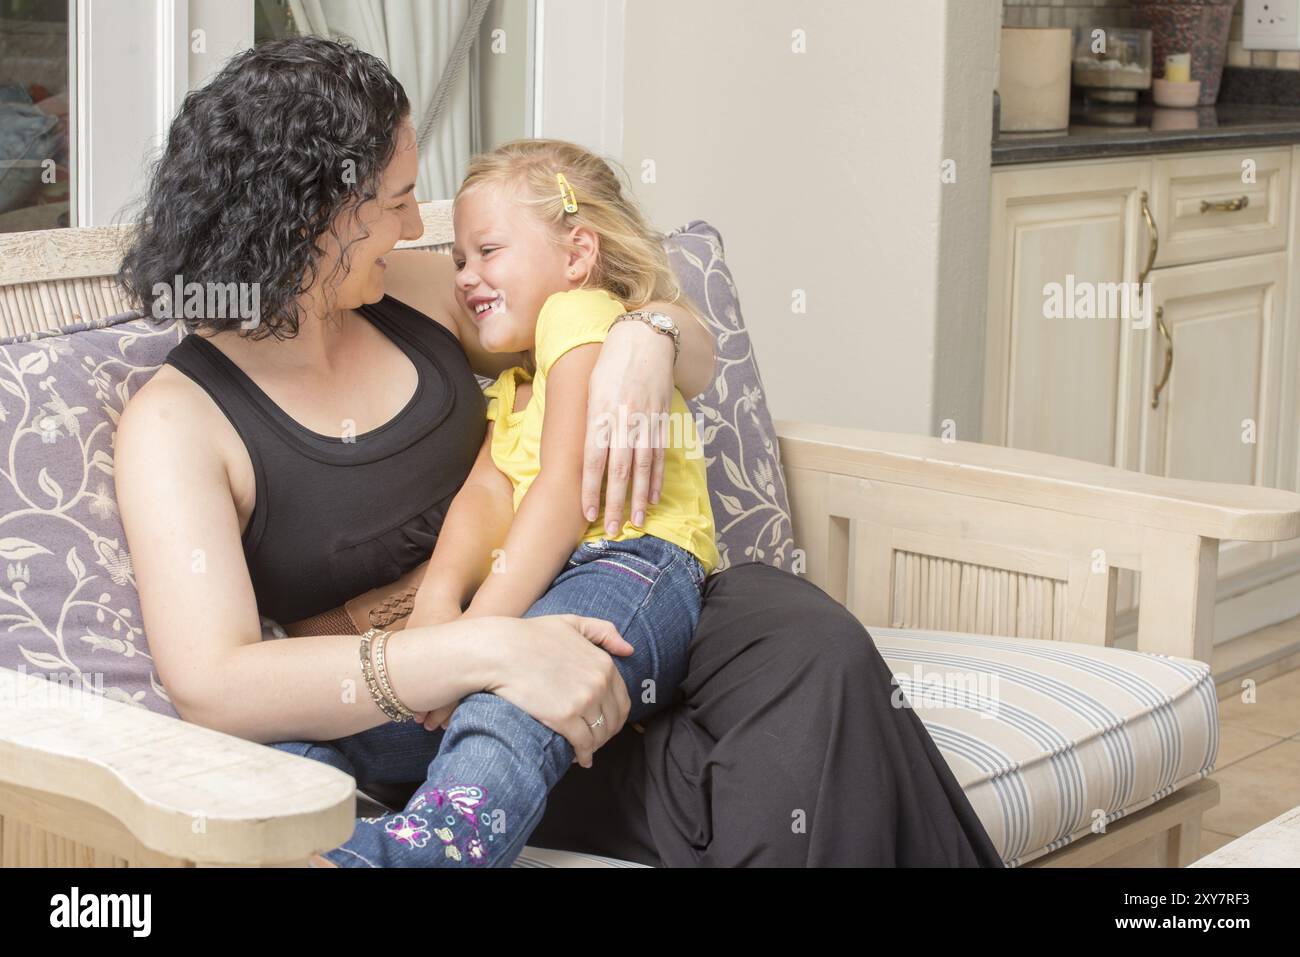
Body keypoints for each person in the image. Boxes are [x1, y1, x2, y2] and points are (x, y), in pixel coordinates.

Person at [113, 35, 1003, 868]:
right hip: (445, 678)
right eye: (392, 204)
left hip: (616, 579)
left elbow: (648, 315)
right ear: (313, 216)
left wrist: (648, 340)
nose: (413, 225)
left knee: (814, 644)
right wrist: (484, 648)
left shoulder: (409, 297)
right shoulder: (178, 423)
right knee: (769, 769)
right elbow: (216, 683)